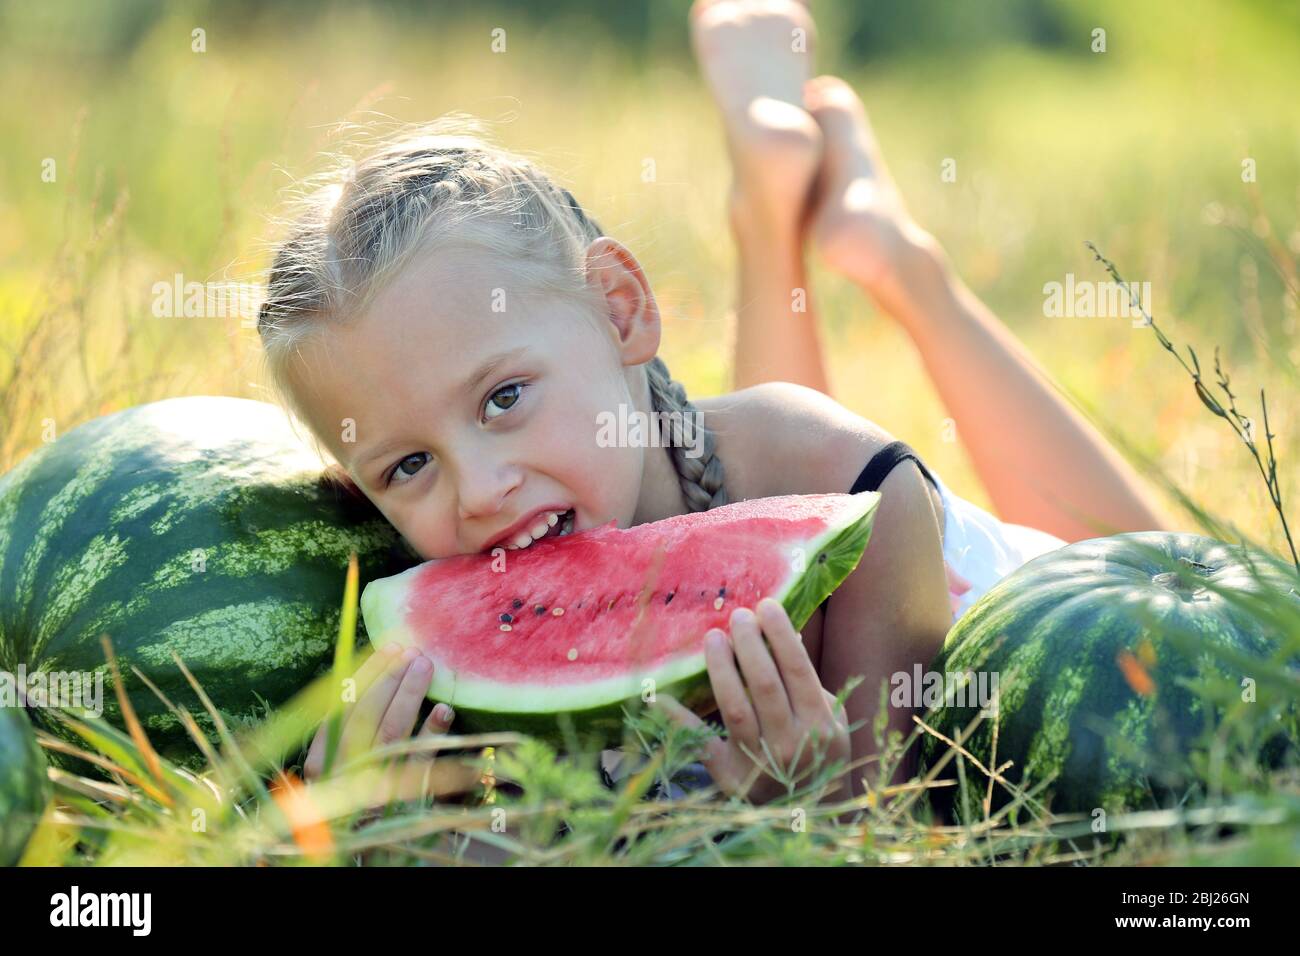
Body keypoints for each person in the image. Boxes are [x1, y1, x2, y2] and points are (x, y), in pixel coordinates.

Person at [257, 0, 1170, 806]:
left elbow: (880, 824)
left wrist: (799, 806)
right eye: (408, 465)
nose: (481, 490)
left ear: (623, 309)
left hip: (1068, 615)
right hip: (747, 459)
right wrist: (362, 819)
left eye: (502, 399)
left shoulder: (849, 485)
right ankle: (779, 206)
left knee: (1156, 556)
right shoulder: (440, 651)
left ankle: (898, 264)